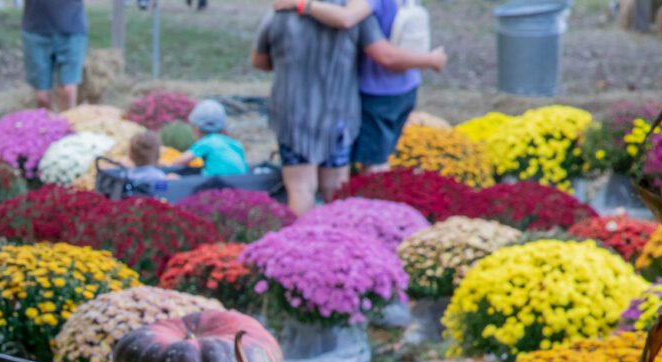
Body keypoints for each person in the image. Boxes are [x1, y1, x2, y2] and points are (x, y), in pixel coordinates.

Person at [251, 0, 438, 213]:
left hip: (292, 112)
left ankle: (299, 241)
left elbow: (260, 61)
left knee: (300, 189)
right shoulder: (355, 18)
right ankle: (338, 240)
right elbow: (380, 52)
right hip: (338, 113)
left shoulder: (280, 14)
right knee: (336, 188)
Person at [273, 0, 447, 171]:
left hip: (378, 95)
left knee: (372, 167)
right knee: (376, 162)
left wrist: (302, 4)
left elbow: (348, 20)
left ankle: (369, 199)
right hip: (403, 87)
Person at [22, 0, 87, 112]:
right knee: (42, 98)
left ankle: (68, 127)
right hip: (36, 28)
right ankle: (51, 127)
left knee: (67, 91)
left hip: (71, 27)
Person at [161, 100, 249, 176]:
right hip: (240, 179)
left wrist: (166, 166)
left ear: (196, 128)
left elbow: (179, 162)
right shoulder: (234, 143)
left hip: (215, 181)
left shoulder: (206, 142)